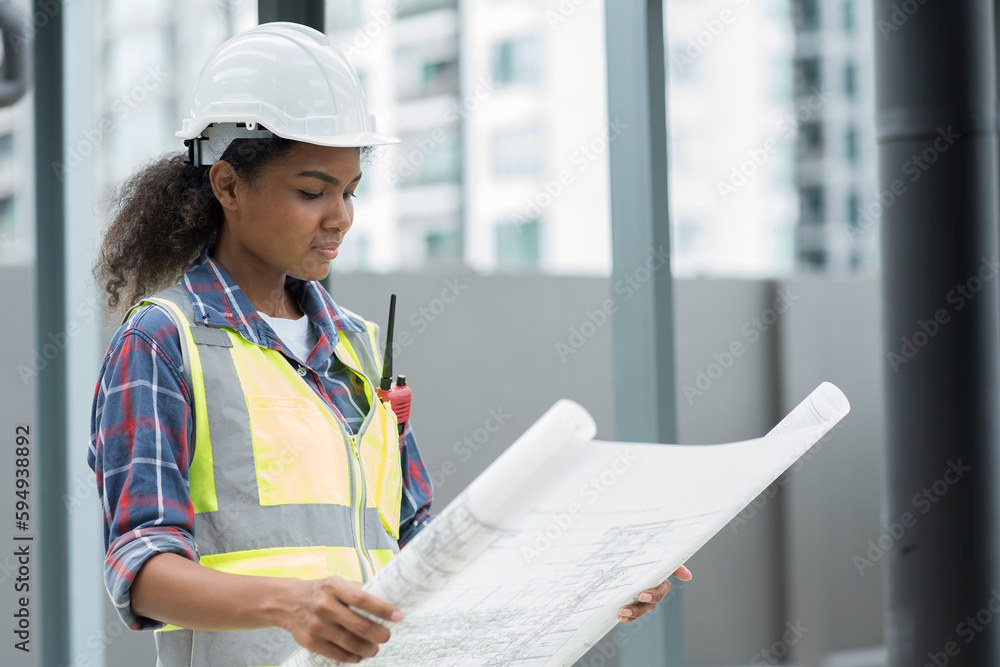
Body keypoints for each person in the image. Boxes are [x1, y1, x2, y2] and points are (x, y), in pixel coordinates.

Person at [88, 22, 689, 667]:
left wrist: (587, 583)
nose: (341, 216)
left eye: (349, 191)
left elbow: (420, 549)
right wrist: (289, 603)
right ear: (229, 185)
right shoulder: (162, 342)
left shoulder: (358, 347)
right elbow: (140, 569)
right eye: (312, 191)